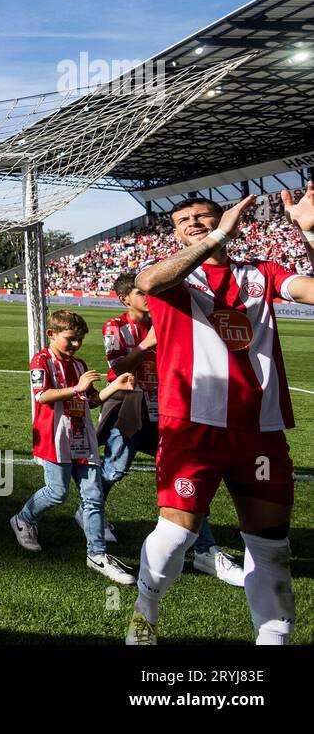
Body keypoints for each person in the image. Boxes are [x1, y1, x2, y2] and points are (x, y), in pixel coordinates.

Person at [126, 190, 314, 645]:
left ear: (225, 216)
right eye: (183, 219)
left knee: (272, 549)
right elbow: (148, 284)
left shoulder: (260, 272)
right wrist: (216, 236)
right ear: (175, 232)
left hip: (261, 428)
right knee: (176, 537)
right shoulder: (173, 278)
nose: (192, 221)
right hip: (193, 425)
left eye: (203, 214)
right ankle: (143, 617)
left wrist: (309, 232)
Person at [97, 272, 243, 585]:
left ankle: (206, 548)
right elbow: (117, 368)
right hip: (131, 408)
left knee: (184, 472)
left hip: (167, 411)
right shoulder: (116, 326)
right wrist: (147, 344)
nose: (149, 298)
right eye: (140, 293)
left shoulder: (164, 320)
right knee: (115, 469)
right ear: (125, 299)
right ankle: (91, 511)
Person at [10, 309, 137, 584]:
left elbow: (91, 400)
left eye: (80, 340)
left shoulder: (79, 364)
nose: (76, 345)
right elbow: (42, 396)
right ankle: (23, 519)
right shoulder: (41, 361)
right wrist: (77, 388)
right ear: (51, 334)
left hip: (83, 437)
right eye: (71, 339)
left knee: (93, 496)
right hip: (55, 437)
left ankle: (97, 554)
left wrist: (116, 386)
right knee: (57, 493)